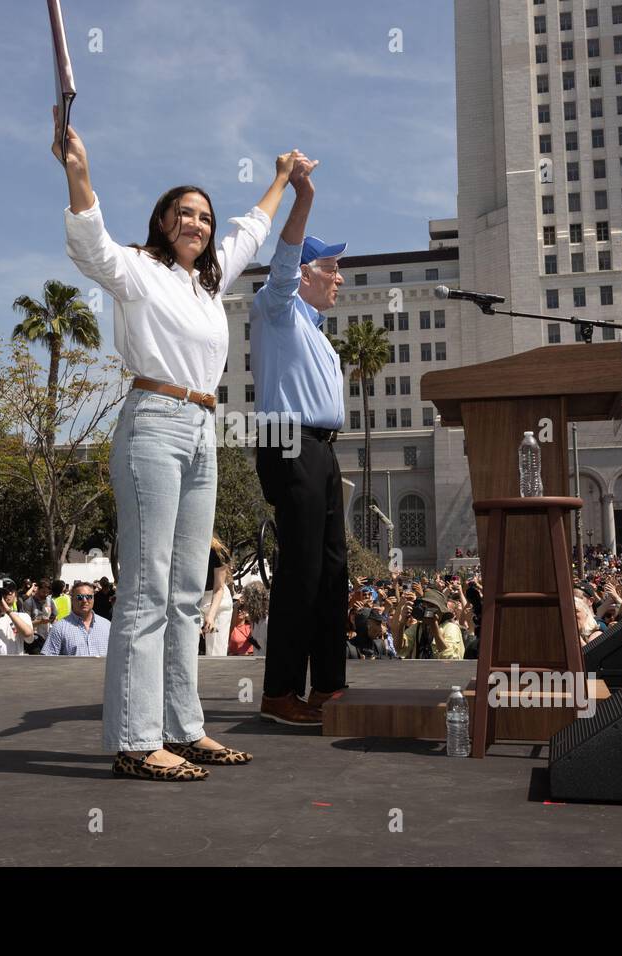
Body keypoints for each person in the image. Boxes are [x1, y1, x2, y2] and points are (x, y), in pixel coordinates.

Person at [57, 105, 297, 779]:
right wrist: (79, 171)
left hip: (202, 431)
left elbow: (253, 229)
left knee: (188, 590)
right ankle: (135, 742)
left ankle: (183, 728)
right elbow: (89, 244)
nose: (197, 222)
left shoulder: (207, 284)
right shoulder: (137, 269)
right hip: (153, 423)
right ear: (163, 222)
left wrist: (280, 178)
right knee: (146, 590)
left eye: (204, 216)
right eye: (184, 213)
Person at [249, 152, 349, 726]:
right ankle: (279, 692)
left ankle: (327, 686)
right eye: (331, 267)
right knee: (302, 568)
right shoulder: (278, 308)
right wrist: (302, 196)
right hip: (290, 441)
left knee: (333, 567)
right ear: (305, 273)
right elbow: (283, 259)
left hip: (319, 449)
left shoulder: (315, 333)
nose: (338, 278)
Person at [41, 581, 111, 657]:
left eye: (89, 597)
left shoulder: (107, 625)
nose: (84, 600)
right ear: (72, 599)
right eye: (80, 597)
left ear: (93, 599)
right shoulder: (59, 628)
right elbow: (48, 662)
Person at [200, 537, 232, 656]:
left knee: (215, 653)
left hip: (218, 602)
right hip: (194, 599)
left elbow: (219, 588)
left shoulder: (218, 552)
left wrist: (211, 616)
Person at [0, 590, 36, 656]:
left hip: (15, 663)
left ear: (16, 598)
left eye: (11, 591)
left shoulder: (23, 616)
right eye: (4, 592)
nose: (8, 594)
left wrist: (7, 610)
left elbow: (28, 634)